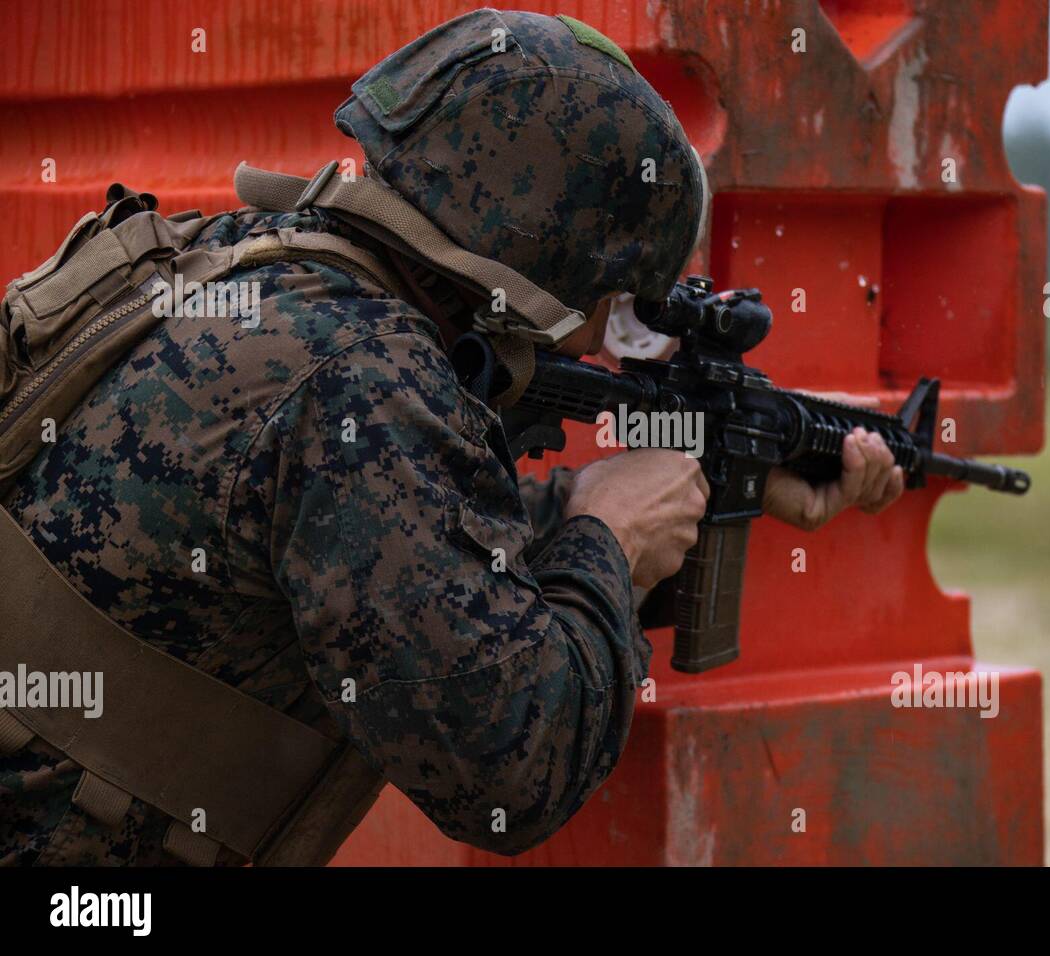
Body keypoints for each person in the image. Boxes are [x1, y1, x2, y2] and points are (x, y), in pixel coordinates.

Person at [0, 9, 901, 866]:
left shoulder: (248, 263)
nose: (604, 337)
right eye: (617, 304)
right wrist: (612, 545)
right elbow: (509, 769)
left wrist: (710, 504)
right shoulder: (365, 380)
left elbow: (416, 551)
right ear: (553, 259)